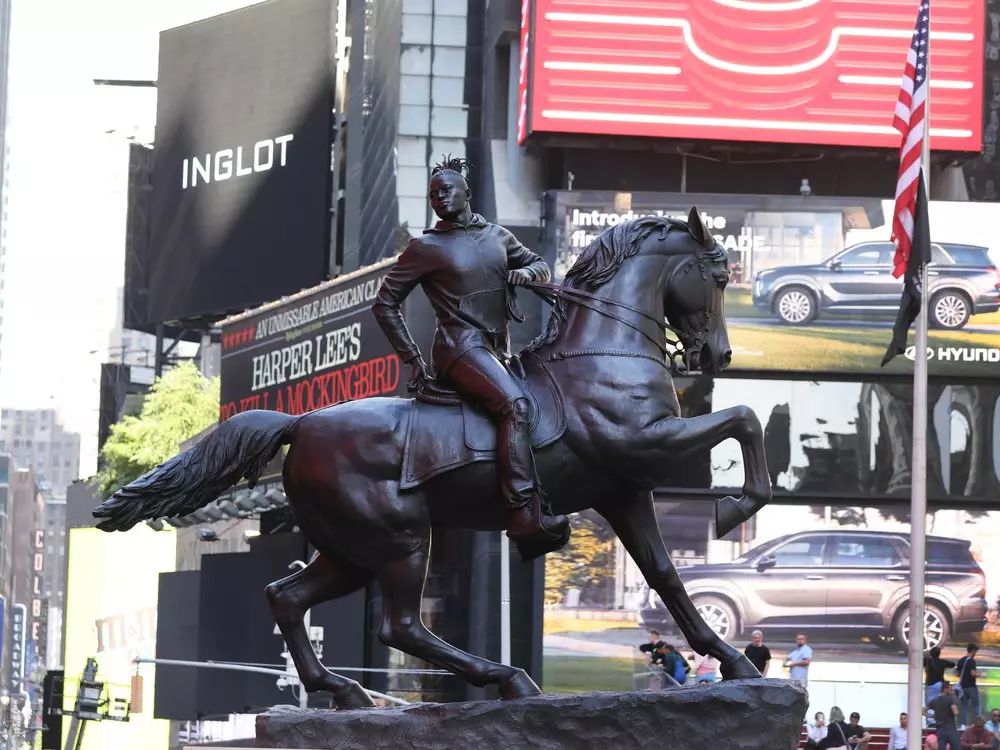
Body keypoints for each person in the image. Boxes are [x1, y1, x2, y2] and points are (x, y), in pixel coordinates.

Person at [373, 156, 569, 559]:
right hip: (459, 349)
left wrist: (527, 275)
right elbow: (385, 303)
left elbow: (539, 264)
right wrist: (412, 359)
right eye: (432, 194)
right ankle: (522, 514)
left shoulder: (498, 236)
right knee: (515, 404)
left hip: (498, 349)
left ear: (467, 192)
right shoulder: (425, 247)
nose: (439, 196)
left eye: (446, 189)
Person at [925, 681, 961, 750]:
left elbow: (923, 711)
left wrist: (932, 716)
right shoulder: (950, 699)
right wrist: (953, 698)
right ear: (945, 689)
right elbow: (955, 712)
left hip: (940, 731)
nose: (951, 692)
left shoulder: (934, 701)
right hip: (951, 730)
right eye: (950, 690)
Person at [956, 644, 982, 729]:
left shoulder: (960, 660)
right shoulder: (971, 661)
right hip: (971, 687)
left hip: (962, 687)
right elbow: (973, 673)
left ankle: (964, 725)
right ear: (973, 650)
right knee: (976, 705)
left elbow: (957, 674)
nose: (975, 653)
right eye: (975, 651)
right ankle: (977, 724)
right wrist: (979, 674)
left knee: (964, 706)